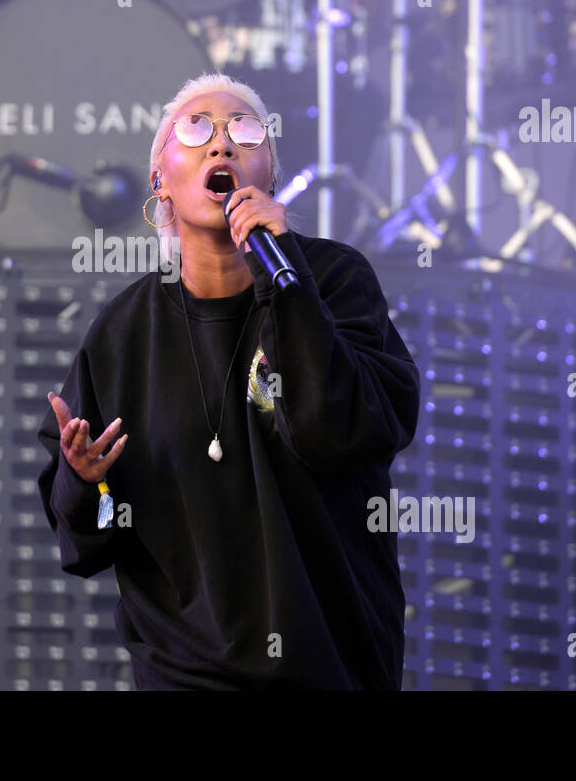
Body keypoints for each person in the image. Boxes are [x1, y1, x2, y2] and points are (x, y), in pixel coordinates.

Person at [37, 73, 420, 690]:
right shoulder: (123, 336)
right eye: (196, 130)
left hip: (330, 665)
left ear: (268, 173)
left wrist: (285, 274)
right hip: (183, 672)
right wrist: (86, 483)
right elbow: (86, 546)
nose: (221, 145)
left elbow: (343, 431)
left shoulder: (334, 281)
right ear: (159, 181)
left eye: (244, 129)